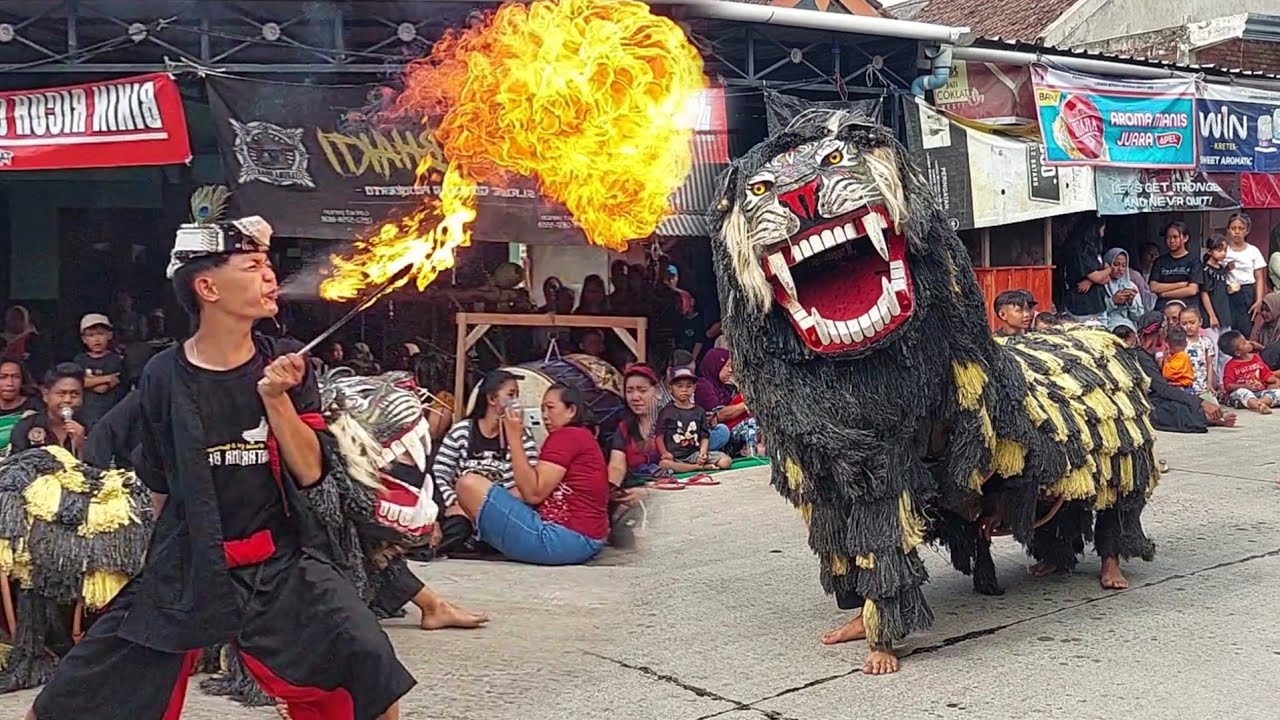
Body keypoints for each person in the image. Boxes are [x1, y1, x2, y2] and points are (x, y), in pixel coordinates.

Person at [26, 216, 414, 720]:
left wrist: (277, 401)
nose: (270, 276)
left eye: (269, 265)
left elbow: (312, 472)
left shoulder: (289, 363)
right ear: (207, 286)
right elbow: (158, 476)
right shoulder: (164, 374)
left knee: (369, 677)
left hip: (281, 562)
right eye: (252, 266)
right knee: (73, 698)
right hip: (188, 565)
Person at [452, 384, 610, 565]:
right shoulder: (580, 436)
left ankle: (487, 542)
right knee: (506, 493)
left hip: (562, 539)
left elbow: (533, 493)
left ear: (571, 410)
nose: (544, 416)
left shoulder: (566, 436)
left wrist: (514, 437)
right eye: (542, 409)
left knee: (468, 484)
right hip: (583, 540)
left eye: (550, 408)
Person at [431, 370, 540, 552]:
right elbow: (440, 473)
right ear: (491, 399)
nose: (516, 403)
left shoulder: (522, 436)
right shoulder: (462, 432)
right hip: (461, 510)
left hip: (501, 513)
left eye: (517, 396)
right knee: (458, 528)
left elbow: (528, 481)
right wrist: (454, 502)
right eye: (511, 395)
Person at [1134, 312, 1231, 433]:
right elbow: (1162, 389)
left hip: (1160, 396)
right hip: (1148, 402)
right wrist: (1201, 403)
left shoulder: (1153, 354)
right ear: (1160, 332)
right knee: (1174, 410)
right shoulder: (1141, 357)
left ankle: (1207, 416)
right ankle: (1207, 418)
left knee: (1184, 402)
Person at [656, 366, 732, 473]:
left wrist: (703, 453)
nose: (684, 390)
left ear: (694, 388)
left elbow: (704, 436)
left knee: (726, 461)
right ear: (670, 389)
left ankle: (694, 465)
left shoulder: (699, 411)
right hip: (675, 457)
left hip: (694, 454)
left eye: (688, 386)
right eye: (679, 386)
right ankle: (699, 468)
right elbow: (659, 436)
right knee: (664, 464)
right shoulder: (666, 412)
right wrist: (664, 453)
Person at [8, 362, 87, 456]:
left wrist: (82, 446)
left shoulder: (91, 427)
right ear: (45, 395)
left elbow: (97, 467)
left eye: (75, 394)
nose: (67, 400)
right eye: (61, 394)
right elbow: (15, 465)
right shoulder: (26, 426)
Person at [695, 349, 762, 456]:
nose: (730, 370)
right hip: (715, 434)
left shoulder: (724, 386)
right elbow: (719, 416)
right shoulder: (703, 386)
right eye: (727, 365)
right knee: (752, 423)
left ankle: (747, 449)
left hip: (729, 430)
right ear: (716, 365)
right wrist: (747, 403)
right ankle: (749, 453)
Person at [74, 313, 128, 431]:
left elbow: (102, 388)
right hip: (86, 414)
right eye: (91, 335)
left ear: (109, 335)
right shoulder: (80, 360)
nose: (96, 339)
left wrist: (89, 381)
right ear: (84, 339)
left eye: (100, 334)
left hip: (109, 413)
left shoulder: (115, 359)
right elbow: (77, 383)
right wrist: (107, 378)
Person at [1057, 216, 1110, 323]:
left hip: (1097, 303)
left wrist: (1090, 281)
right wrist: (1109, 269)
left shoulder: (1095, 250)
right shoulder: (1080, 251)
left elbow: (1106, 279)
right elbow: (1097, 276)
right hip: (1081, 305)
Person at [1223, 212, 1266, 338]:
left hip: (1247, 292)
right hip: (1227, 292)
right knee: (1228, 327)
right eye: (1233, 228)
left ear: (1247, 231)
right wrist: (1226, 268)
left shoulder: (1253, 251)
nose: (1237, 232)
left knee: (1245, 328)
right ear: (1228, 230)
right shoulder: (1223, 250)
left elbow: (1259, 278)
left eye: (1241, 228)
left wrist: (1258, 300)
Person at [1220, 329, 1280, 414]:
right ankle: (1258, 406)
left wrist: (1274, 381)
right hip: (1240, 393)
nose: (1249, 342)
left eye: (1246, 340)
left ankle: (1261, 403)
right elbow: (1228, 386)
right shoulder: (1231, 366)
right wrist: (1245, 386)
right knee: (1243, 392)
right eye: (1244, 343)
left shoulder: (1256, 358)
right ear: (1238, 353)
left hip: (1259, 392)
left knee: (1278, 393)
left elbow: (1266, 374)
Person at [1149, 221, 1202, 314]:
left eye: (1175, 237)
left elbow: (1192, 290)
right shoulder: (1160, 261)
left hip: (1187, 310)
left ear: (1185, 238)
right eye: (1168, 238)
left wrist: (1165, 294)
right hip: (1162, 309)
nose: (1171, 241)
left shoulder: (1194, 261)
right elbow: (1153, 287)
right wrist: (1181, 285)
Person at [1181, 307, 1225, 412]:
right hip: (1185, 387)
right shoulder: (1180, 342)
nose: (1188, 326)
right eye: (1184, 324)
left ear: (1200, 322)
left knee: (1215, 410)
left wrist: (1210, 384)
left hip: (1203, 386)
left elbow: (1209, 364)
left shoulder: (1206, 342)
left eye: (1192, 322)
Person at [0, 359, 41, 454]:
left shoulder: (35, 405)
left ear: (22, 380)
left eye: (16, 377)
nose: (10, 383)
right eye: (3, 377)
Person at [1101, 249, 1144, 331]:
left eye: (1124, 265)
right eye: (1116, 264)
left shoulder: (1130, 286)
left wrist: (1131, 303)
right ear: (1108, 265)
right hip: (1108, 327)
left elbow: (1138, 317)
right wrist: (1112, 301)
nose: (1120, 269)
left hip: (1128, 327)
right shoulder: (1100, 286)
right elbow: (1096, 315)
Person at [1200, 233, 1232, 335]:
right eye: (1219, 250)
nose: (1223, 253)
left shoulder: (1222, 269)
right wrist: (1212, 315)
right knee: (1213, 345)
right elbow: (1204, 293)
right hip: (1212, 314)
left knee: (1226, 346)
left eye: (1225, 250)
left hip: (1224, 312)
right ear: (1209, 251)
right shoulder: (1205, 269)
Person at [1161, 326, 1194, 392]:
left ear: (1168, 344)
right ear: (1185, 344)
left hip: (1182, 388)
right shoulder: (1175, 356)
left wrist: (1165, 360)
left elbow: (1168, 374)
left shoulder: (1181, 356)